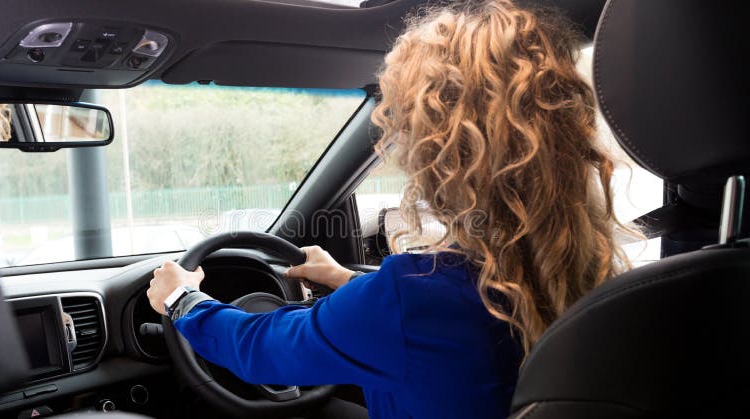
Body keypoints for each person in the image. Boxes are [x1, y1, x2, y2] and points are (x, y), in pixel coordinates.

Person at [147, 1, 635, 417]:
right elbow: (442, 315)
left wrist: (181, 299)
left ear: (442, 152)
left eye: (403, 124)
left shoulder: (412, 296)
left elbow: (258, 347)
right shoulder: (592, 269)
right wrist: (346, 280)